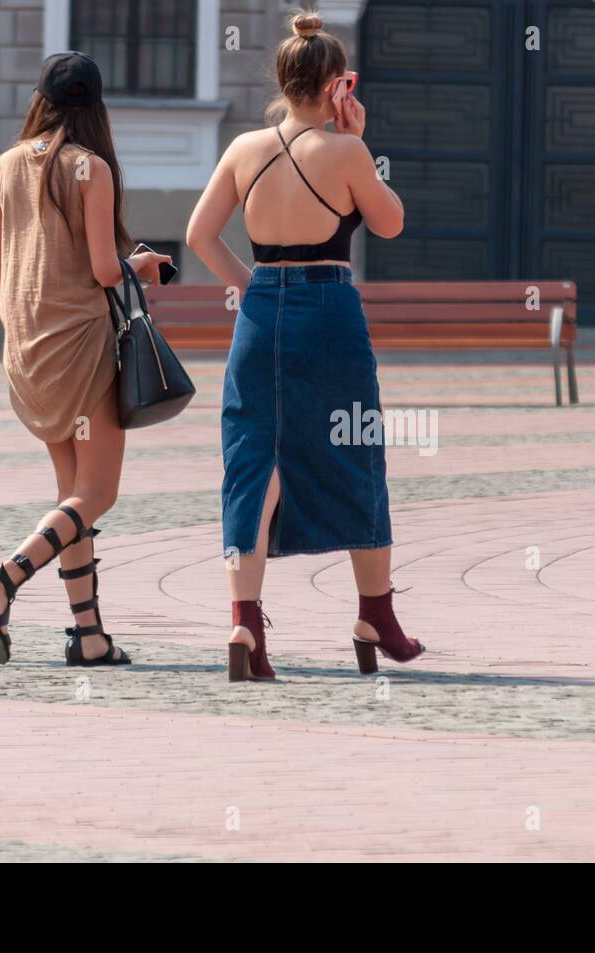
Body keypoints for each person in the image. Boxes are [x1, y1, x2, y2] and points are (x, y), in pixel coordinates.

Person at [186, 11, 424, 682]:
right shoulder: (345, 151)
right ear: (333, 86)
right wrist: (358, 138)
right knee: (355, 450)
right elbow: (392, 222)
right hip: (330, 309)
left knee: (252, 462)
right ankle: (375, 611)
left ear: (284, 80)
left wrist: (255, 289)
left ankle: (245, 621)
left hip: (263, 314)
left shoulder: (242, 149)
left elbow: (199, 235)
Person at [0, 52, 171, 667]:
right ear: (94, 107)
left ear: (38, 100)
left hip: (26, 352)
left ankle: (89, 637)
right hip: (81, 348)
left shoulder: (7, 170)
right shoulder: (90, 168)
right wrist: (146, 266)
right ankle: (3, 579)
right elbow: (106, 271)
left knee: (72, 498)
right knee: (97, 495)